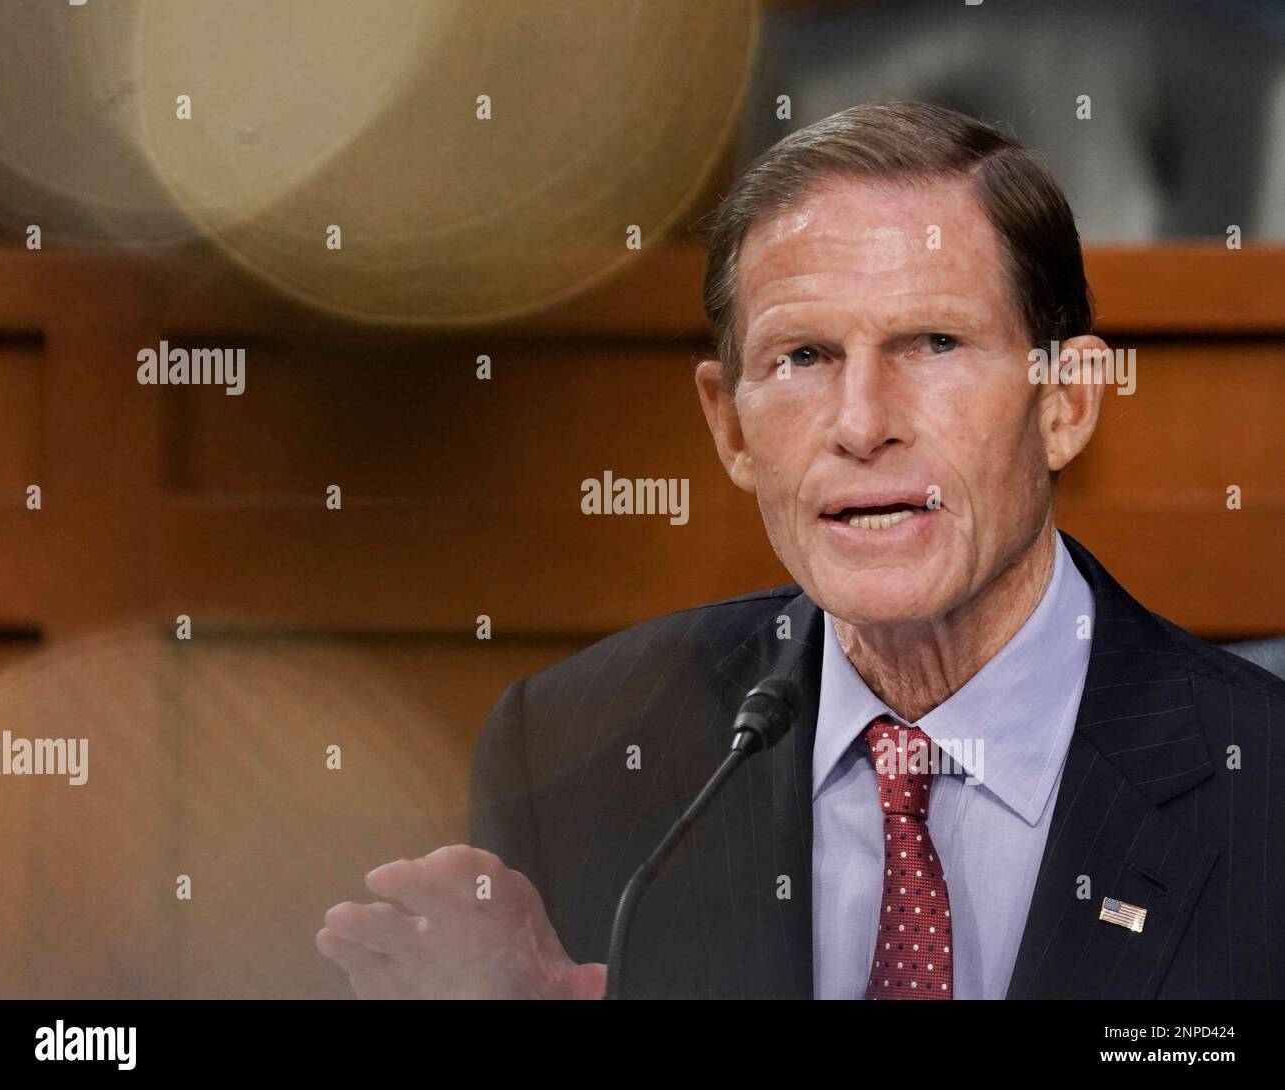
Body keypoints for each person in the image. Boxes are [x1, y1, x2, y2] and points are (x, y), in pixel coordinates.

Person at [316, 101, 1285, 999]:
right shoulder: (577, 753)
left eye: (933, 343)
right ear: (730, 429)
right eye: (803, 359)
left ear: (1064, 402)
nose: (860, 425)